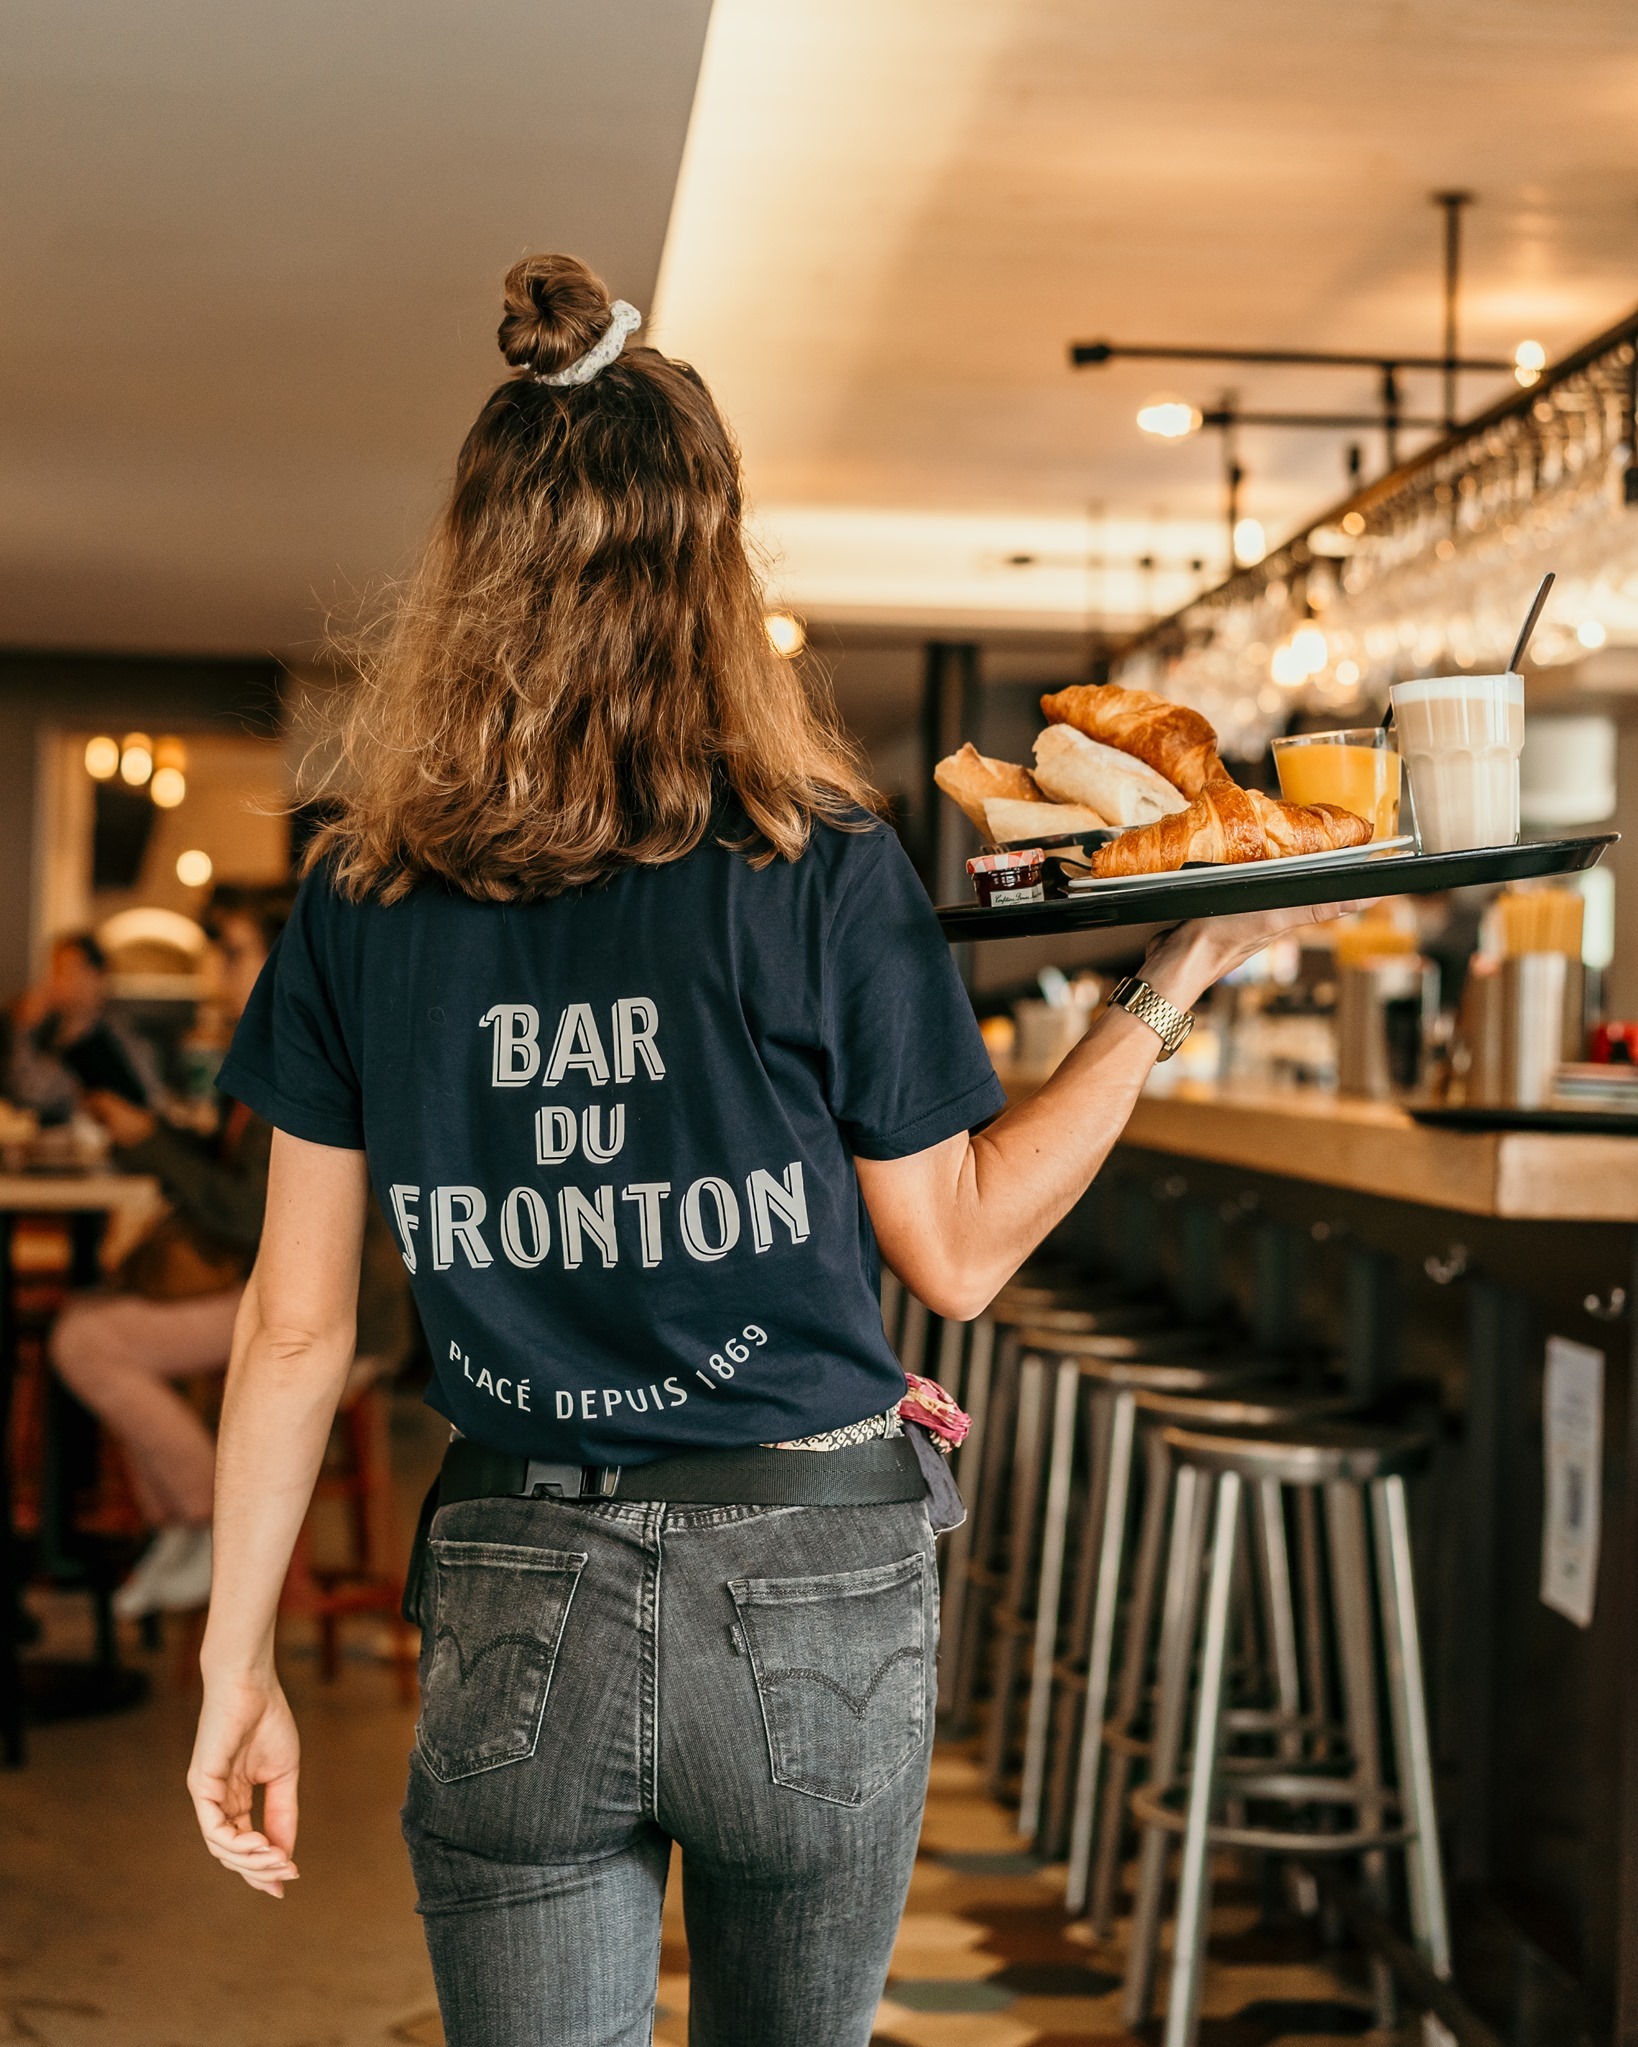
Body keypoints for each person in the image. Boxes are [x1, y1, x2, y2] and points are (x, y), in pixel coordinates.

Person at [185, 253, 1348, 2047]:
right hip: (808, 1573)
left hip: (514, 1565)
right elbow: (956, 1251)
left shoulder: (360, 893)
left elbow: (292, 1324)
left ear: (469, 564)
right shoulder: (819, 863)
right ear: (716, 566)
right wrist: (1168, 980)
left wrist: (234, 1660)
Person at [51, 887, 408, 1618]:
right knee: (87, 1317)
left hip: (331, 1306)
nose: (217, 968)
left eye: (234, 951)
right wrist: (148, 1133)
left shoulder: (308, 1050)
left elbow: (249, 1212)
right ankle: (185, 1524)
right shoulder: (285, 1038)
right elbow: (240, 1181)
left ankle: (208, 1524)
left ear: (286, 955)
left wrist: (150, 1142)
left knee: (85, 1339)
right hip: (282, 1284)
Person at [7, 931, 162, 1122]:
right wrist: (23, 1028)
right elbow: (29, 1095)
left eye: (69, 971)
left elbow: (152, 1098)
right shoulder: (48, 1029)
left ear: (98, 976)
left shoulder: (121, 1031)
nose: (58, 981)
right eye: (57, 971)